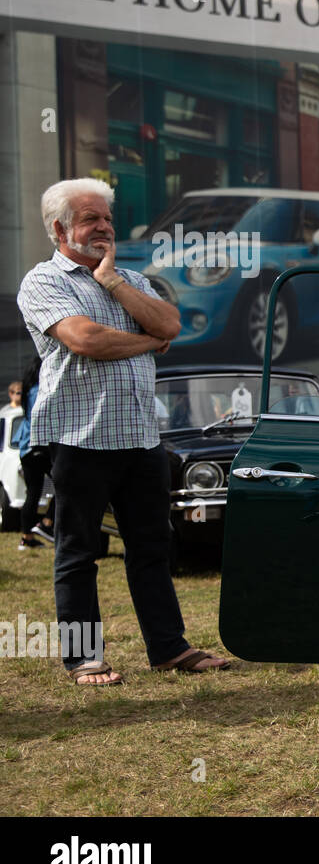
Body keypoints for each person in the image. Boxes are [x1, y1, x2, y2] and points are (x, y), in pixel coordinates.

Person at [16, 177, 230, 685]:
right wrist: (145, 339)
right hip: (78, 439)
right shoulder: (44, 282)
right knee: (79, 551)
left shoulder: (131, 278)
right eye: (91, 218)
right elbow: (86, 340)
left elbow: (171, 325)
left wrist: (114, 284)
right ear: (59, 228)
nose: (104, 227)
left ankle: (169, 649)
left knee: (153, 549)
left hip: (141, 438)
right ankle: (82, 657)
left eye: (107, 218)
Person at [14, 356, 55, 550]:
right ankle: (47, 524)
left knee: (33, 493)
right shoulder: (40, 390)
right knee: (67, 483)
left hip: (26, 448)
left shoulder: (28, 390)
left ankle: (26, 538)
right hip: (39, 445)